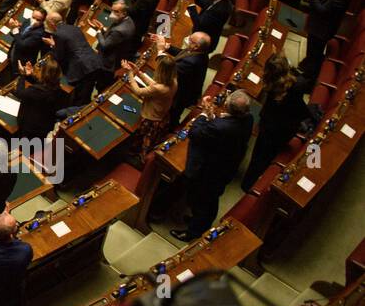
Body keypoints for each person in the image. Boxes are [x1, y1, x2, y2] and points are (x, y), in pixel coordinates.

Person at [172, 92, 255, 240]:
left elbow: (195, 133)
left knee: (202, 200)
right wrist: (212, 118)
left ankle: (194, 233)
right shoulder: (248, 119)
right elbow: (219, 132)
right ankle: (200, 223)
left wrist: (204, 115)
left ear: (228, 107)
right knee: (209, 200)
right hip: (226, 166)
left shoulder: (221, 127)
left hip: (208, 171)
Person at [240, 59, 312, 191]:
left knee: (259, 157)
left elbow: (268, 112)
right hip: (286, 128)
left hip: (273, 129)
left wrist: (261, 123)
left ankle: (248, 185)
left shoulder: (274, 87)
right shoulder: (296, 83)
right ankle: (253, 182)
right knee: (266, 157)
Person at [132, 53, 178, 163]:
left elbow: (138, 91)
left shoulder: (159, 88)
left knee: (143, 140)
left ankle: (140, 160)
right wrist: (138, 73)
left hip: (151, 118)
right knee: (149, 140)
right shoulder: (174, 81)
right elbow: (154, 86)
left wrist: (130, 75)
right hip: (161, 115)